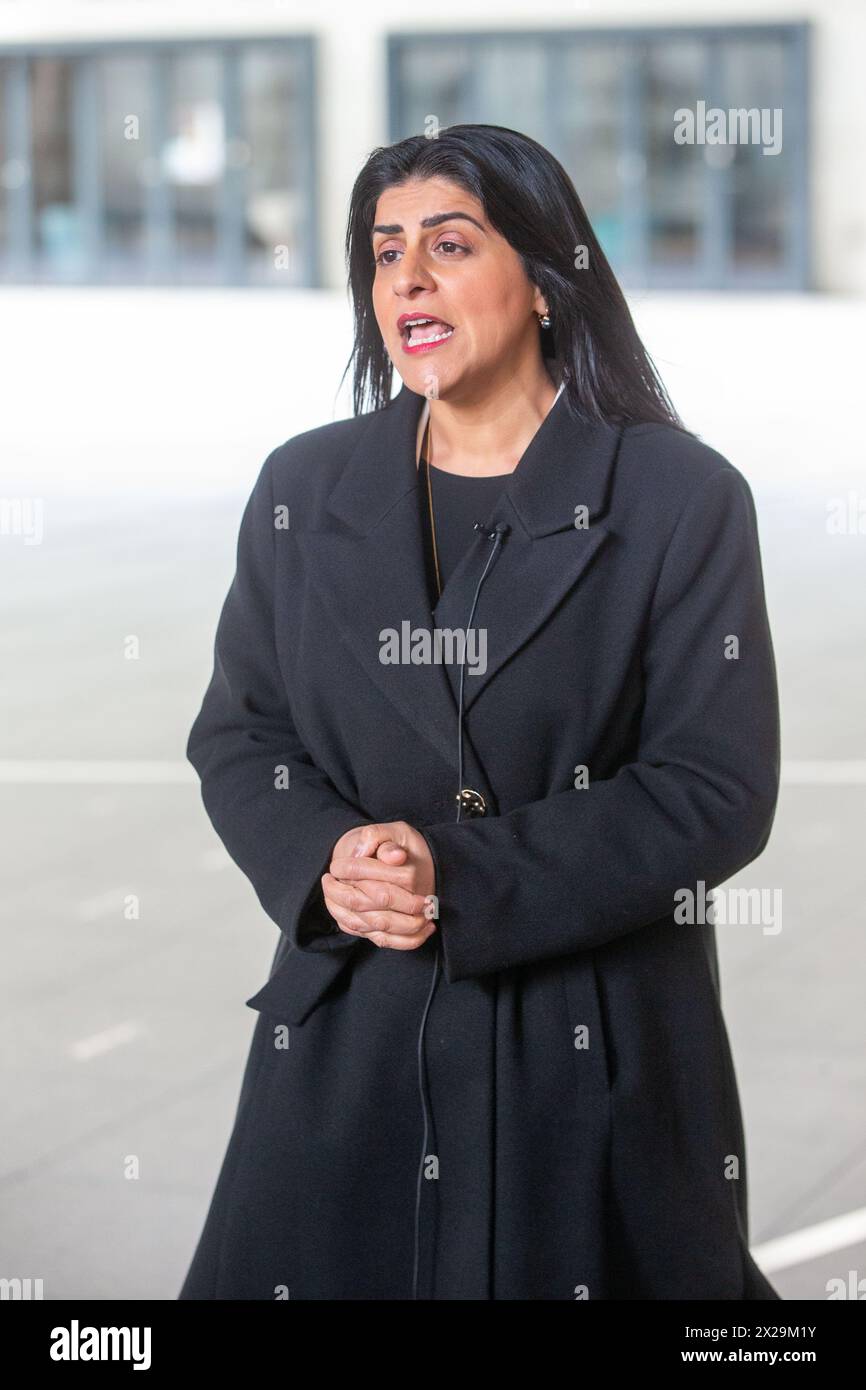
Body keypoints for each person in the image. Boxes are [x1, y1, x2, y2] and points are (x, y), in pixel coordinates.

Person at [178, 124, 781, 1300]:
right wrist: (329, 855)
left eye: (448, 244)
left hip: (586, 1045)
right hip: (352, 1030)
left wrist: (458, 876)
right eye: (381, 250)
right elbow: (243, 732)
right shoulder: (304, 486)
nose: (405, 277)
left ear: (549, 280)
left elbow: (713, 789)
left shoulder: (678, 497)